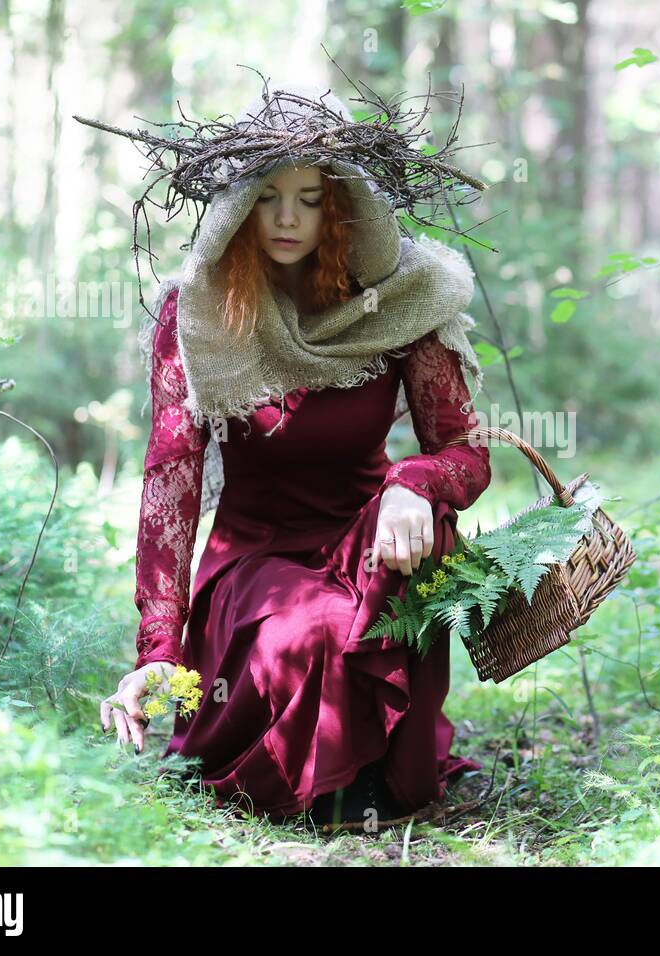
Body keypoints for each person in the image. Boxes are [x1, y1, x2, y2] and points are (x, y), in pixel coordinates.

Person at [97, 83, 491, 828]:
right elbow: (170, 484)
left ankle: (369, 770)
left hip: (374, 546)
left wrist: (414, 481)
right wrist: (158, 647)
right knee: (306, 628)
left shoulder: (402, 298)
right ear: (237, 206)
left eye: (308, 198)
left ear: (339, 206)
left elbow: (467, 454)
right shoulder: (204, 310)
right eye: (268, 196)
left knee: (422, 533)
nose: (286, 218)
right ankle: (317, 779)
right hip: (257, 561)